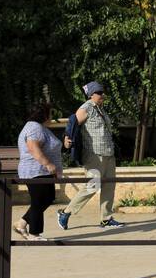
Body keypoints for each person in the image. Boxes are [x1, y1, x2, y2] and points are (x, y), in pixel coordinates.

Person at [57, 82, 125, 230]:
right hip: (94, 154)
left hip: (108, 153)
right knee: (92, 186)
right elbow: (73, 122)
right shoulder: (86, 107)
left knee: (109, 186)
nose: (102, 95)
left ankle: (106, 219)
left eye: (103, 92)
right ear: (91, 95)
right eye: (99, 93)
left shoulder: (100, 108)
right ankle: (65, 212)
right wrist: (66, 138)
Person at [15, 101, 62, 241]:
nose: (51, 115)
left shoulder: (39, 127)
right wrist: (48, 164)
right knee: (38, 200)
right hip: (35, 171)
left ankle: (22, 223)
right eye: (50, 112)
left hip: (42, 171)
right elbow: (32, 147)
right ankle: (34, 234)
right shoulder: (34, 127)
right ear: (43, 114)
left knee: (47, 198)